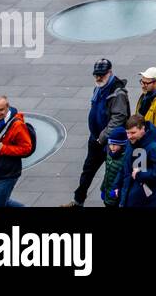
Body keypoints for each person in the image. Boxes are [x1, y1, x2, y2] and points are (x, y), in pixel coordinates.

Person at [66, 58, 130, 206]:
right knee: (87, 170)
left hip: (110, 141)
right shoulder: (99, 87)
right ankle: (78, 200)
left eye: (102, 74)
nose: (98, 77)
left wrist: (103, 136)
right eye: (96, 75)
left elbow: (119, 117)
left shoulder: (117, 93)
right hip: (95, 138)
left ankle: (111, 202)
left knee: (111, 174)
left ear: (110, 72)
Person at [0, 95, 34, 207]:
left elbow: (27, 148)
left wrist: (3, 148)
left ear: (7, 107)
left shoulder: (17, 125)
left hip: (8, 174)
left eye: (1, 110)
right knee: (5, 202)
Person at [118, 113, 156, 209]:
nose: (129, 136)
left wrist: (141, 174)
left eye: (133, 133)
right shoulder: (131, 142)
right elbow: (124, 166)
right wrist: (116, 185)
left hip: (143, 198)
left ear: (142, 129)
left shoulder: (153, 147)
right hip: (128, 193)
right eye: (128, 133)